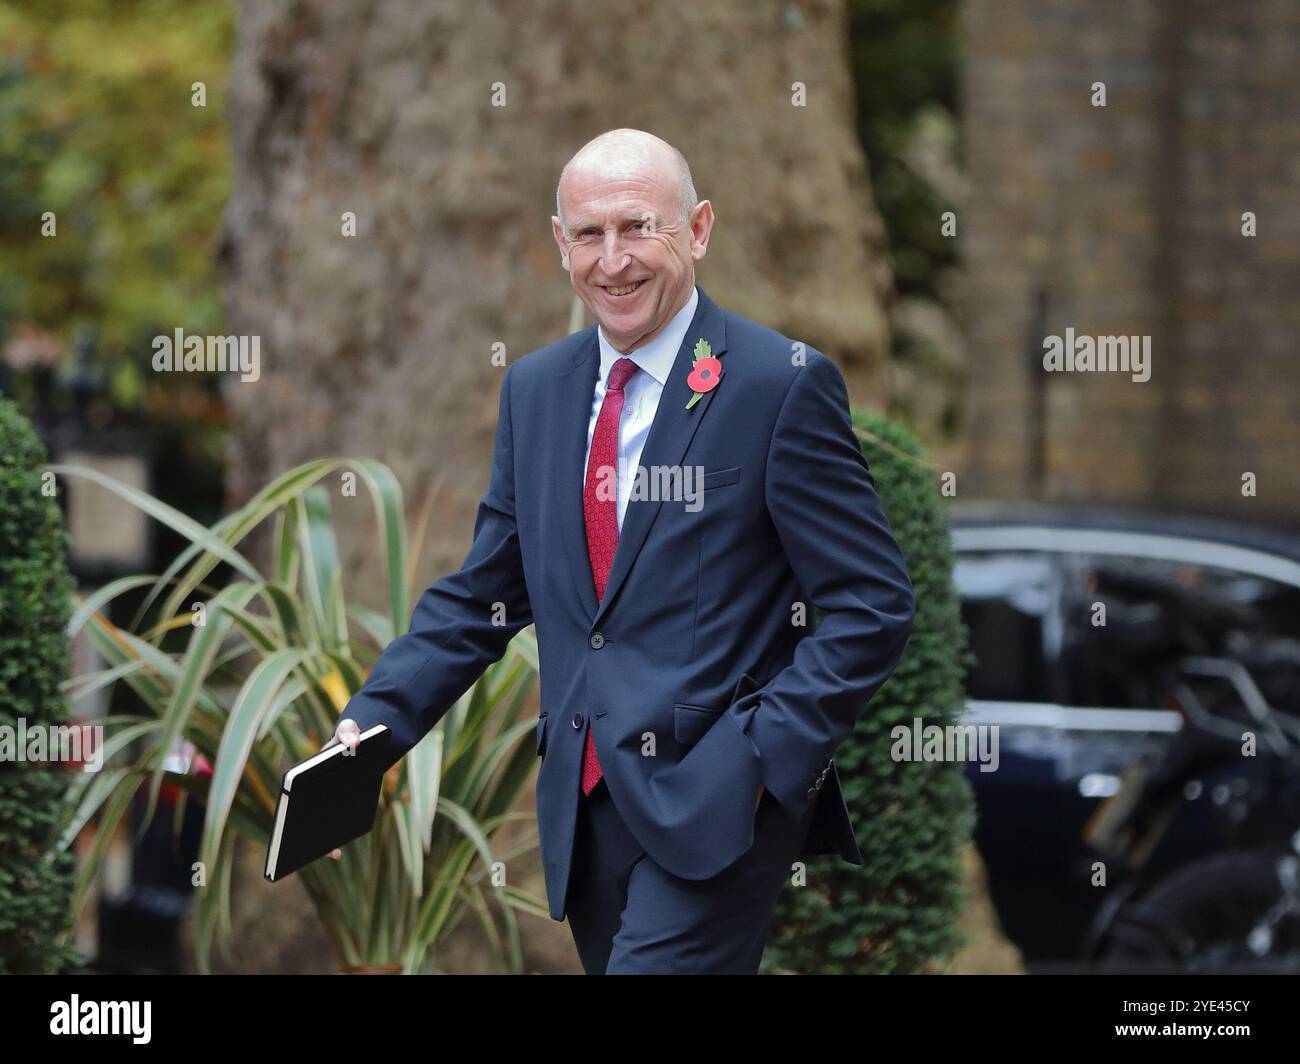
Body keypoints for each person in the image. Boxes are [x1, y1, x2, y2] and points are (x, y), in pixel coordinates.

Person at [328, 128, 915, 974]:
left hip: (718, 808)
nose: (614, 261)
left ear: (699, 229)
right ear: (560, 242)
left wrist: (759, 756)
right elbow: (483, 596)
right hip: (586, 812)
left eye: (639, 227)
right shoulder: (536, 391)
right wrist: (371, 726)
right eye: (589, 235)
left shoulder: (778, 383)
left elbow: (873, 604)